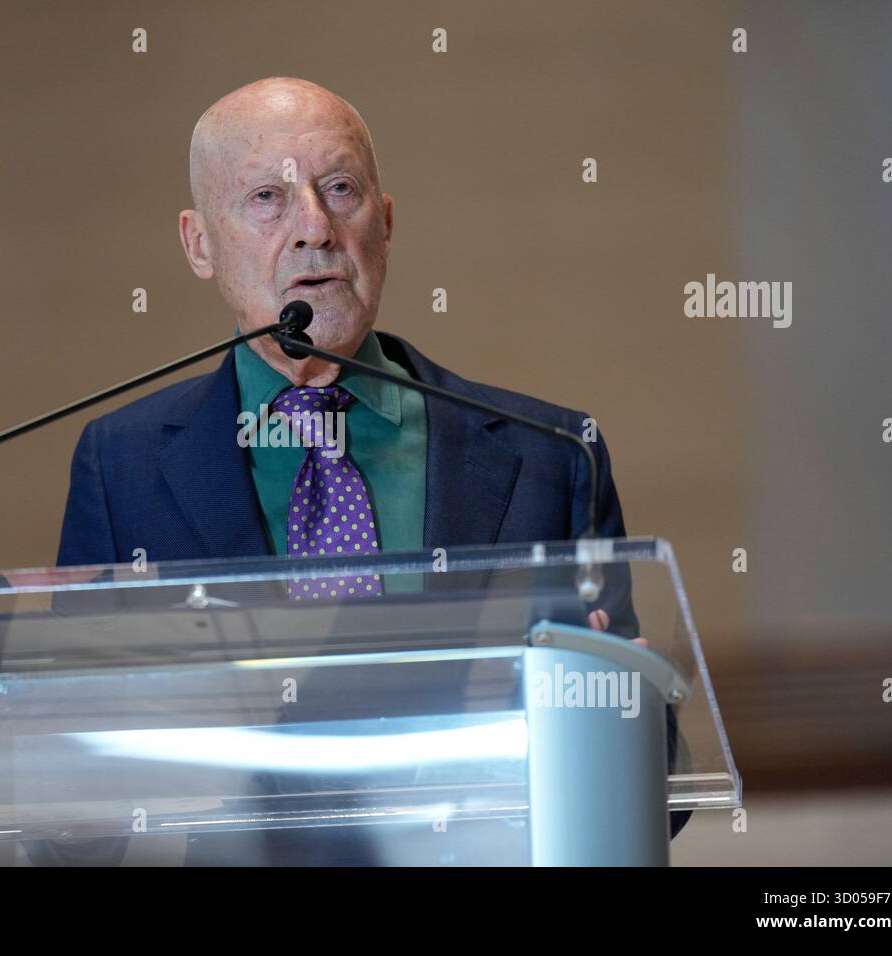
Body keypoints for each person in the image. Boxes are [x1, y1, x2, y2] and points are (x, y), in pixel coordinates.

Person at [55, 77, 689, 857]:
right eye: (267, 198)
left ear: (384, 225)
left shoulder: (549, 456)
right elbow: (67, 799)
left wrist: (625, 713)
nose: (313, 228)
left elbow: (652, 797)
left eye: (341, 189)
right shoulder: (123, 470)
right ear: (198, 243)